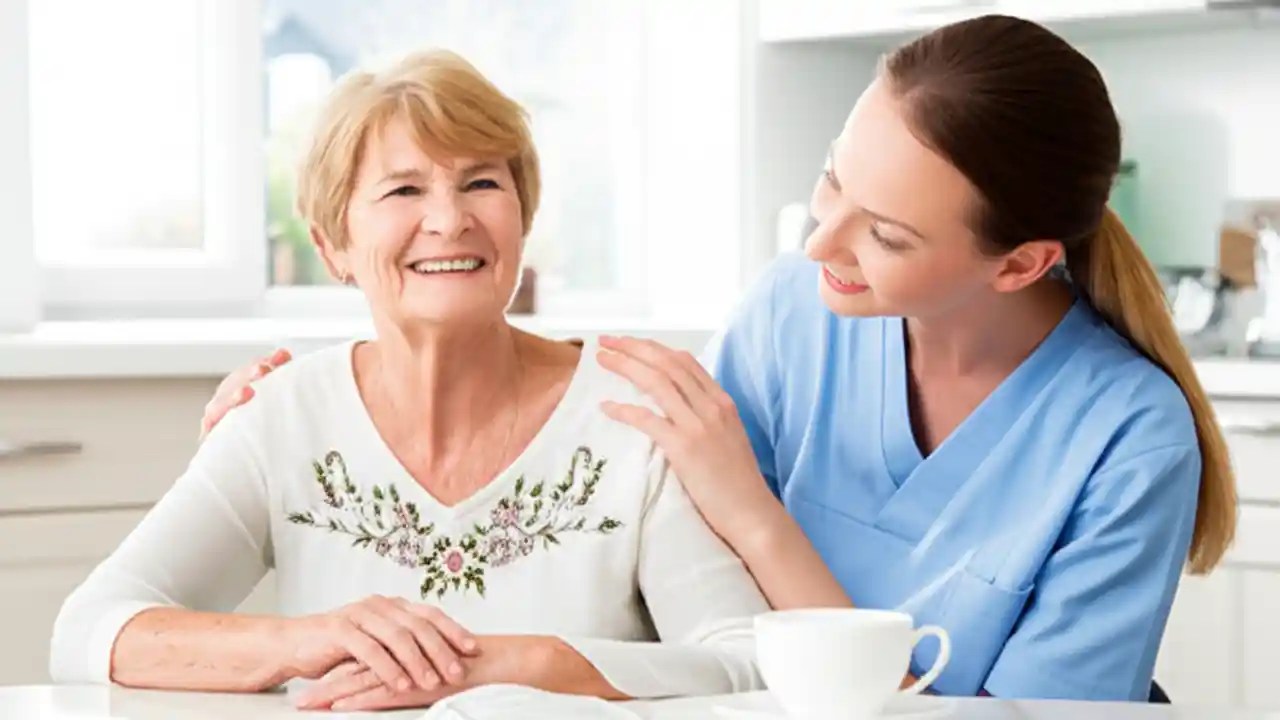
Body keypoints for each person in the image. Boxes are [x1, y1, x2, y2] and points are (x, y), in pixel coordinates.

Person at [200, 15, 1239, 702]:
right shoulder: (797, 311)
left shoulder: (1126, 438)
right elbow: (646, 505)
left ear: (1018, 264)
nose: (817, 244)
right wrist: (332, 407)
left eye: (883, 235)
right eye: (828, 185)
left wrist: (751, 511)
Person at [50, 49, 770, 713]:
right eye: (403, 190)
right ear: (334, 245)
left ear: (522, 219)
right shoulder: (280, 417)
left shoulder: (632, 416)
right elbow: (88, 631)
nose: (449, 219)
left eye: (482, 182)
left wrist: (520, 663)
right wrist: (305, 640)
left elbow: (745, 662)